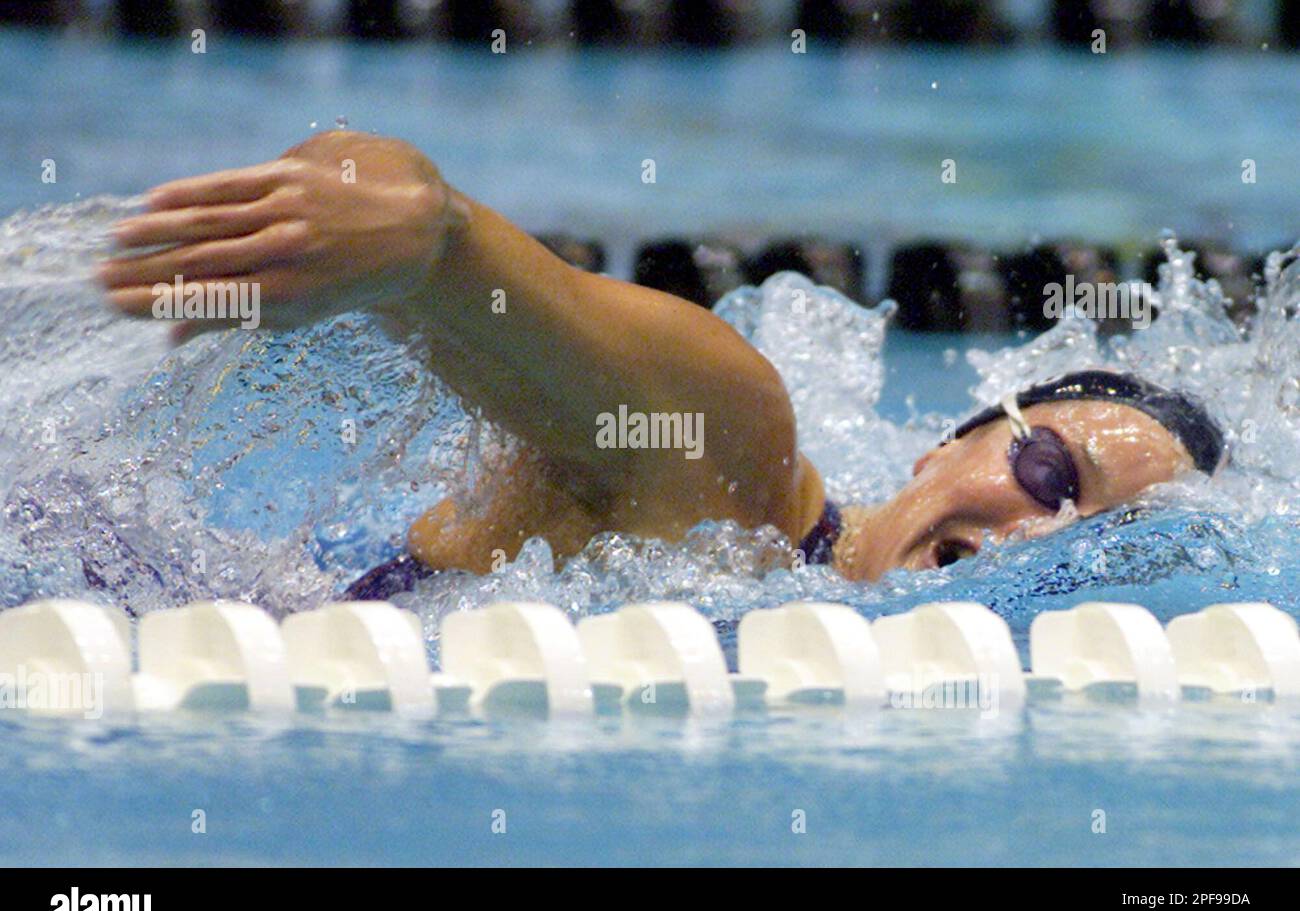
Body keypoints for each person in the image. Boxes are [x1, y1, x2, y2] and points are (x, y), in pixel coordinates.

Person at [97, 132, 1224, 596]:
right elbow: (440, 240)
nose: (1042, 537)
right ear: (951, 442)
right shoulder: (727, 466)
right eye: (1047, 476)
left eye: (1103, 546)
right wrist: (409, 218)